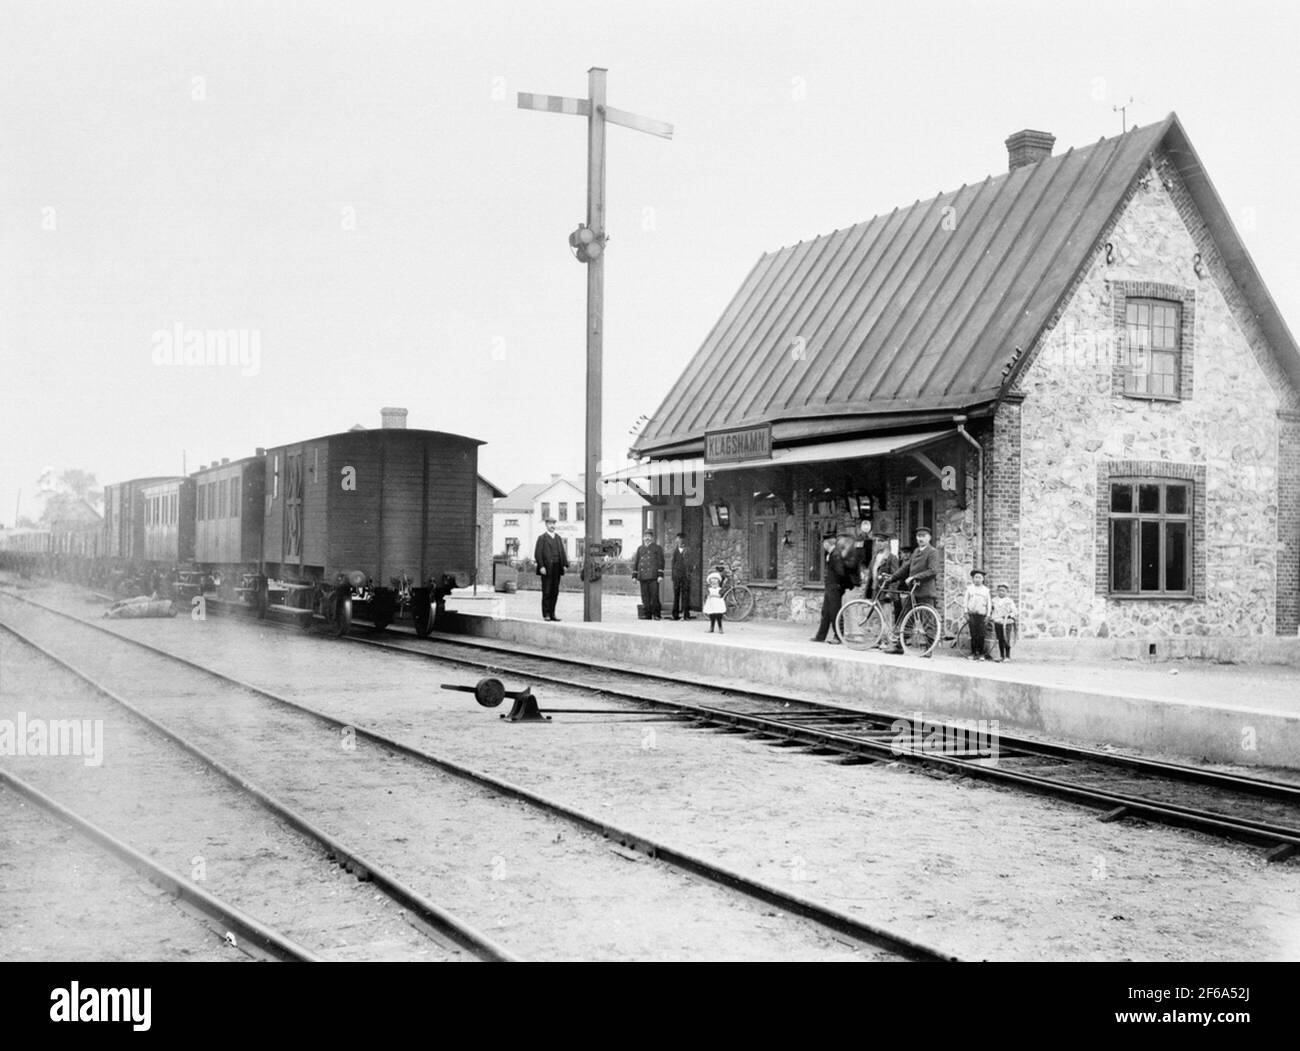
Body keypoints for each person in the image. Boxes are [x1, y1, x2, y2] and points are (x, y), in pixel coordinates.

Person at [884, 528, 941, 656]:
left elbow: (933, 571)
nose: (920, 539)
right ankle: (899, 646)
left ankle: (928, 649)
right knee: (905, 617)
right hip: (913, 592)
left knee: (927, 620)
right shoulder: (915, 551)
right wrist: (892, 577)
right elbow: (906, 568)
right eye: (918, 536)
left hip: (925, 592)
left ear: (929, 537)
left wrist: (915, 577)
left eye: (923, 536)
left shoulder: (932, 552)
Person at [811, 532, 857, 644]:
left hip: (834, 587)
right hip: (831, 587)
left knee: (835, 612)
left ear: (826, 544)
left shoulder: (835, 555)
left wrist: (839, 586)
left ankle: (838, 637)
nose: (823, 546)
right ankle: (820, 636)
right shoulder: (832, 554)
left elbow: (840, 573)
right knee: (826, 612)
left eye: (823, 543)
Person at [533, 517, 568, 621]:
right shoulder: (542, 538)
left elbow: (562, 552)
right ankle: (546, 614)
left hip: (557, 567)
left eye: (553, 524)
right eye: (550, 524)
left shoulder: (558, 538)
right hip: (547, 568)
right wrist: (541, 566)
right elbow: (538, 554)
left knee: (555, 591)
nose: (552, 526)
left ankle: (552, 614)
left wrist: (565, 565)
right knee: (547, 591)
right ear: (546, 525)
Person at [631, 530, 665, 620]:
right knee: (645, 596)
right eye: (645, 536)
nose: (647, 538)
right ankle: (647, 614)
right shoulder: (640, 548)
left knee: (654, 596)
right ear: (643, 538)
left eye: (649, 536)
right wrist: (634, 576)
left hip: (653, 576)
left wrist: (660, 575)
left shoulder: (657, 548)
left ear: (652, 538)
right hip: (643, 576)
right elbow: (636, 562)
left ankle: (656, 614)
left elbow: (661, 562)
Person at [965, 568, 992, 660]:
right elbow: (965, 601)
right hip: (972, 614)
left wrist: (988, 615)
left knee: (981, 635)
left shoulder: (986, 590)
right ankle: (973, 652)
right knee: (973, 634)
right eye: (976, 577)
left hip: (982, 615)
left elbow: (989, 603)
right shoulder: (969, 589)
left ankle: (980, 653)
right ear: (973, 579)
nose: (977, 579)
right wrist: (966, 612)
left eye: (980, 577)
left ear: (983, 579)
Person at [991, 583, 1019, 662]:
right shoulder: (994, 600)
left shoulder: (1009, 601)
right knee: (1000, 639)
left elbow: (1015, 612)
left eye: (1003, 591)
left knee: (1006, 638)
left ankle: (1007, 656)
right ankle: (1001, 655)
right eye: (999, 590)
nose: (1001, 592)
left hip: (1006, 623)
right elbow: (992, 610)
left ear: (1007, 592)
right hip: (998, 621)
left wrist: (1009, 615)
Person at [670, 532, 694, 620]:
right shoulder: (675, 551)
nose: (679, 541)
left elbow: (691, 563)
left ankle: (686, 614)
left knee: (685, 595)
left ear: (683, 540)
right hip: (677, 576)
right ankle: (675, 614)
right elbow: (672, 564)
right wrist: (673, 575)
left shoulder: (688, 550)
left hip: (685, 576)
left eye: (680, 539)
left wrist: (689, 574)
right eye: (678, 539)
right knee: (676, 595)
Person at [703, 566, 727, 633]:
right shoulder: (709, 589)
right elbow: (706, 594)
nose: (714, 583)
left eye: (716, 581)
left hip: (718, 604)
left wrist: (717, 594)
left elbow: (721, 594)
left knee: (719, 615)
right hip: (711, 603)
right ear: (710, 583)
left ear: (718, 582)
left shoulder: (719, 589)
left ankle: (720, 628)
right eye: (712, 581)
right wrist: (708, 594)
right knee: (712, 615)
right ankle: (711, 627)